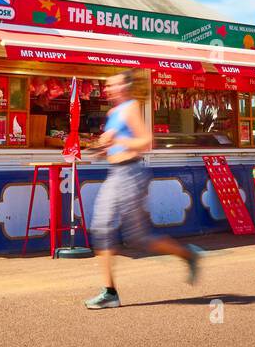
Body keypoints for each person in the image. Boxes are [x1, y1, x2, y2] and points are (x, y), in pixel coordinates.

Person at [82, 71, 202, 309]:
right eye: (106, 86)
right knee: (101, 227)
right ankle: (109, 292)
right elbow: (116, 143)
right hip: (115, 173)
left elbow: (146, 142)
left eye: (111, 85)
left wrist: (117, 141)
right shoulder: (112, 113)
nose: (106, 89)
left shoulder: (130, 108)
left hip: (131, 173)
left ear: (124, 87)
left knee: (138, 237)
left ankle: (187, 254)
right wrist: (100, 149)